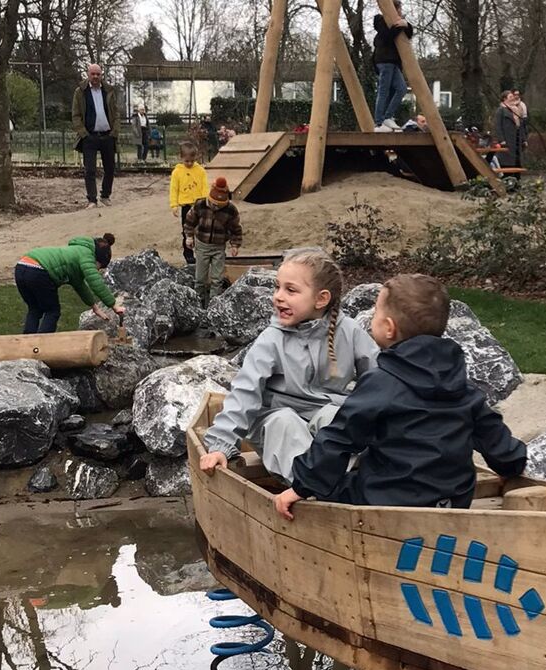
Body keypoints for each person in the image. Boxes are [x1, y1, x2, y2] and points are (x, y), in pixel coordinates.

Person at [275, 274, 526, 518]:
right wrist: (511, 465)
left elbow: (340, 438)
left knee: (335, 487)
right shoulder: (460, 385)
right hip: (452, 500)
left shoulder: (383, 382)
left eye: (376, 314)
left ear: (389, 328)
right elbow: (491, 433)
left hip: (387, 501)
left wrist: (301, 486)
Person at [198, 248, 381, 482]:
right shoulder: (272, 339)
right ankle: (309, 487)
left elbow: (378, 379)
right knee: (286, 423)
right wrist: (220, 444)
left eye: (290, 290)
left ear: (321, 299)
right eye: (277, 287)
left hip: (322, 414)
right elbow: (245, 392)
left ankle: (347, 480)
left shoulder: (349, 331)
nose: (278, 296)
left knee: (336, 416)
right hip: (276, 418)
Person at [14, 235, 124, 334]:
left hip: (22, 265)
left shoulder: (77, 252)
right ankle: (42, 346)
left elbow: (80, 285)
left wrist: (94, 307)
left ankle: (26, 345)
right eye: (99, 267)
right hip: (39, 270)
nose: (98, 269)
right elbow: (95, 282)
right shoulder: (87, 255)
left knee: (35, 309)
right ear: (98, 259)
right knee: (52, 311)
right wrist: (113, 305)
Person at [183, 177, 243, 306]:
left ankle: (213, 304)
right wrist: (189, 236)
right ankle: (197, 303)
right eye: (213, 204)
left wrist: (235, 245)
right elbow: (189, 221)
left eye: (219, 205)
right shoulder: (200, 205)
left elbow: (235, 228)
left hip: (218, 247)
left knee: (217, 278)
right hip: (202, 245)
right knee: (200, 278)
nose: (215, 207)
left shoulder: (230, 210)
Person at [71, 63, 119, 210]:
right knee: (90, 169)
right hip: (89, 136)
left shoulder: (109, 91)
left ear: (101, 74)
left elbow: (116, 113)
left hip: (107, 135)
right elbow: (76, 115)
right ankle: (92, 200)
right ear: (88, 74)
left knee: (110, 168)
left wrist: (114, 133)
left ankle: (105, 196)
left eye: (98, 74)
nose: (96, 77)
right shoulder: (80, 92)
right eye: (93, 74)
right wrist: (83, 134)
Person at [372, 0, 413, 132]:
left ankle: (387, 117)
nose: (400, 12)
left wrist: (406, 25)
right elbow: (388, 36)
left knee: (401, 88)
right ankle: (378, 122)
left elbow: (409, 34)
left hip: (394, 61)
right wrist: (399, 27)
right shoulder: (380, 20)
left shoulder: (398, 22)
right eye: (399, 9)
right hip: (384, 60)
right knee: (383, 90)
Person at [170, 141, 208, 265]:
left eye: (192, 161)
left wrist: (205, 201)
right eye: (187, 161)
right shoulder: (177, 172)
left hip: (198, 206)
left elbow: (204, 186)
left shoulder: (200, 171)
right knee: (187, 231)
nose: (190, 163)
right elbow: (174, 189)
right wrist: (174, 204)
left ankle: (201, 254)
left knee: (201, 230)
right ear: (181, 158)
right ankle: (188, 254)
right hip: (186, 206)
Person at [492, 91, 523, 168]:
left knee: (517, 161)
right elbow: (497, 126)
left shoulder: (516, 110)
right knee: (506, 162)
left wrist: (523, 139)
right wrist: (501, 139)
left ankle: (516, 177)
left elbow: (521, 125)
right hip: (507, 140)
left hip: (516, 140)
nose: (513, 98)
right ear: (504, 99)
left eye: (513, 97)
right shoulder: (501, 110)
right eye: (510, 97)